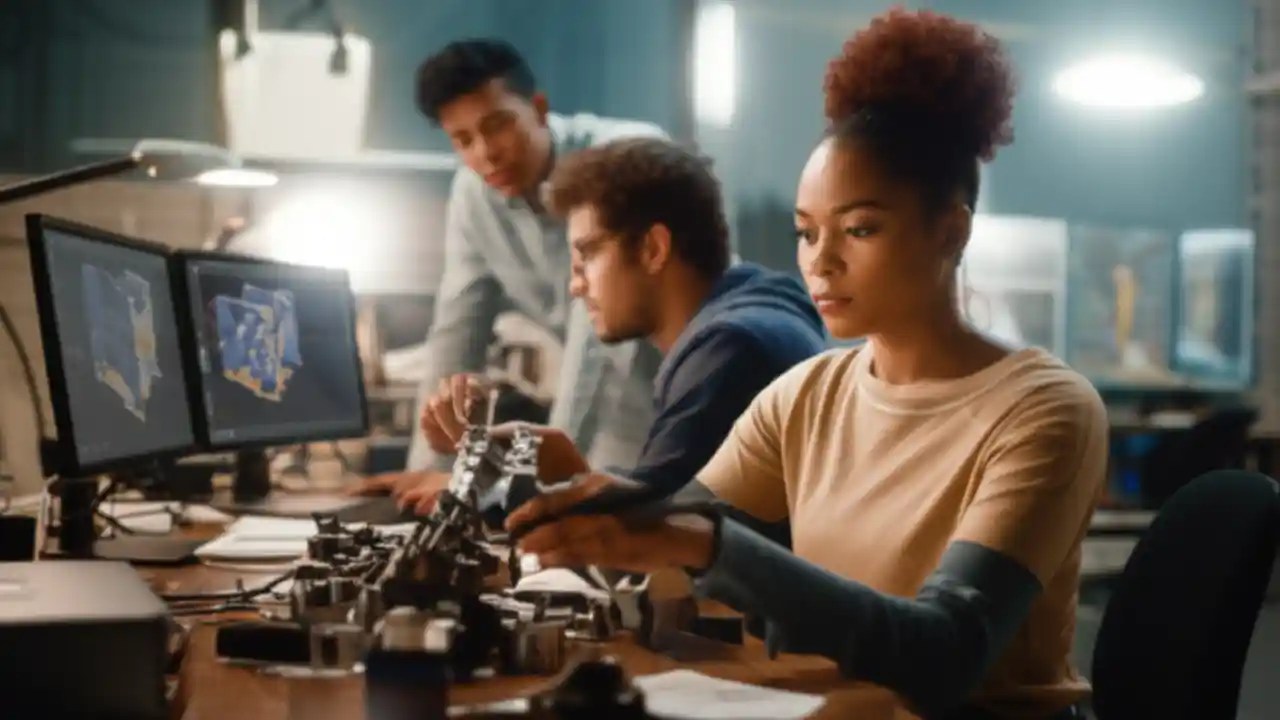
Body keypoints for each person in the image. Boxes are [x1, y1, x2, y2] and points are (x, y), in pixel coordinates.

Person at [502, 10, 1106, 720]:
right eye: (806, 232)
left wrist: (693, 540)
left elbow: (945, 653)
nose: (821, 261)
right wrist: (596, 503)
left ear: (951, 228)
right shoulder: (805, 396)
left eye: (859, 229)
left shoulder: (1045, 410)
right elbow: (672, 552)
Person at [402, 137, 828, 514]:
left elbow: (651, 553)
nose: (574, 286)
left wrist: (515, 481)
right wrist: (558, 466)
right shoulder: (754, 312)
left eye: (587, 254)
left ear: (653, 249)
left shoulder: (729, 351)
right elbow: (665, 516)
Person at [358, 39, 667, 500]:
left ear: (539, 109)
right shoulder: (473, 195)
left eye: (497, 125)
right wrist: (426, 472)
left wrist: (535, 482)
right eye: (462, 140)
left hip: (673, 405)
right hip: (596, 424)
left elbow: (597, 348)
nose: (486, 153)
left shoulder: (618, 161)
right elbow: (456, 335)